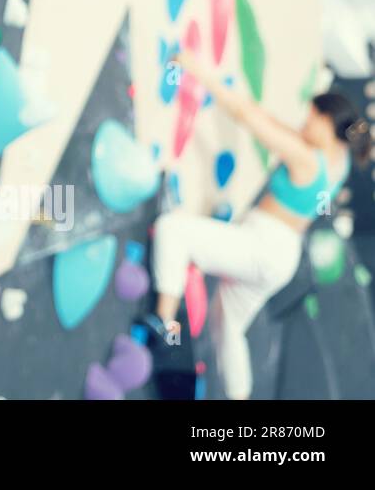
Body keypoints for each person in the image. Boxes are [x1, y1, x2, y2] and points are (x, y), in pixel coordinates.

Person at [142, 50, 373, 399]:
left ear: (327, 122)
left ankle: (165, 327)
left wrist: (195, 69)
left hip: (264, 245)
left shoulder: (307, 157)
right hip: (280, 254)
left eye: (311, 117)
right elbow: (269, 121)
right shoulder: (337, 162)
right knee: (228, 326)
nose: (304, 123)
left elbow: (246, 115)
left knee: (174, 231)